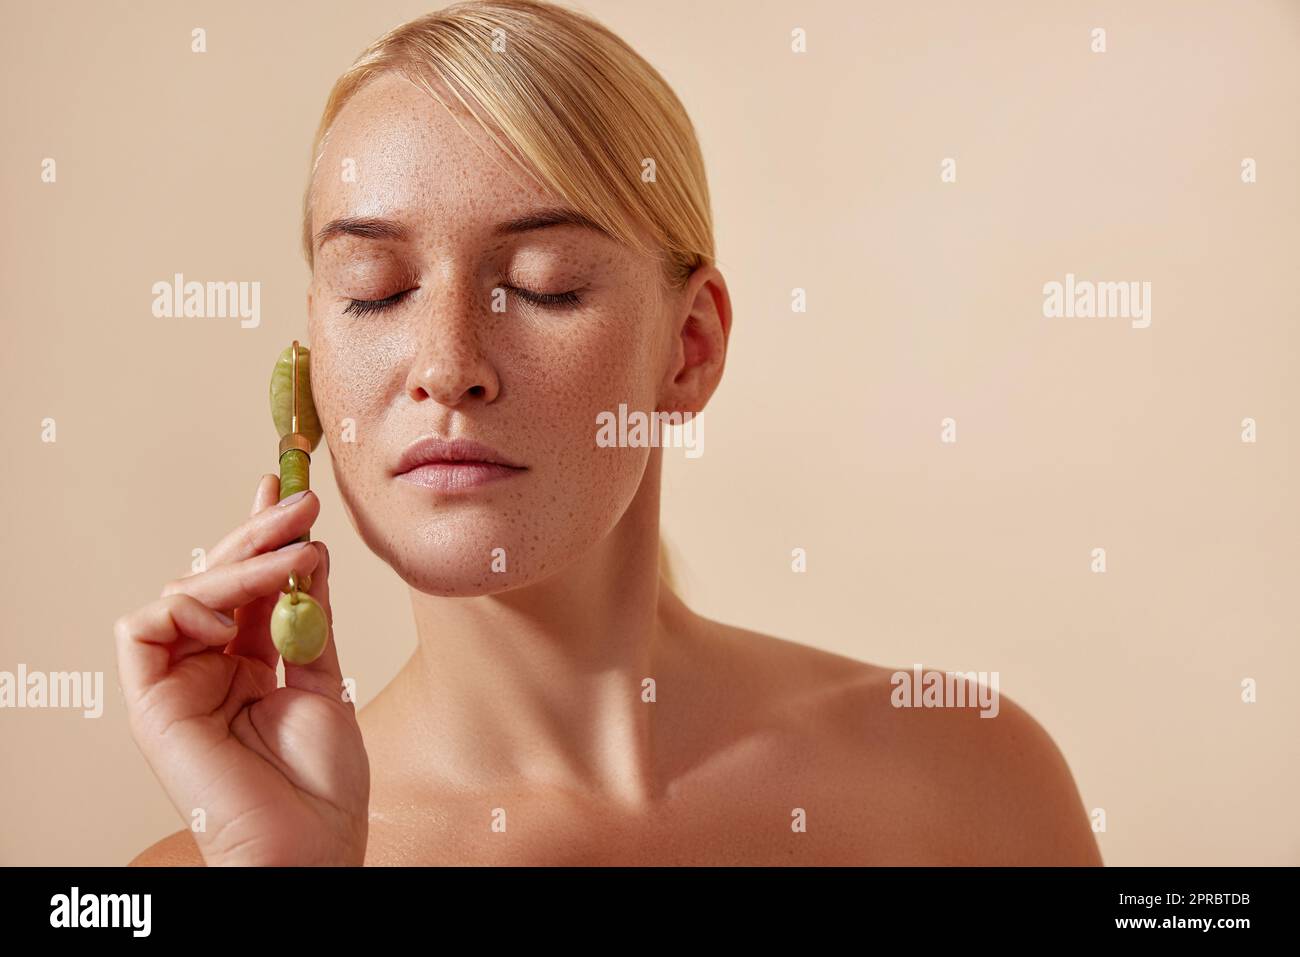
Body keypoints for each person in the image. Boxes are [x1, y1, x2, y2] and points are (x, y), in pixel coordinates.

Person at [116, 0, 1102, 866]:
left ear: (689, 348)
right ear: (312, 368)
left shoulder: (966, 775)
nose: (444, 364)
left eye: (545, 284)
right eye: (376, 294)